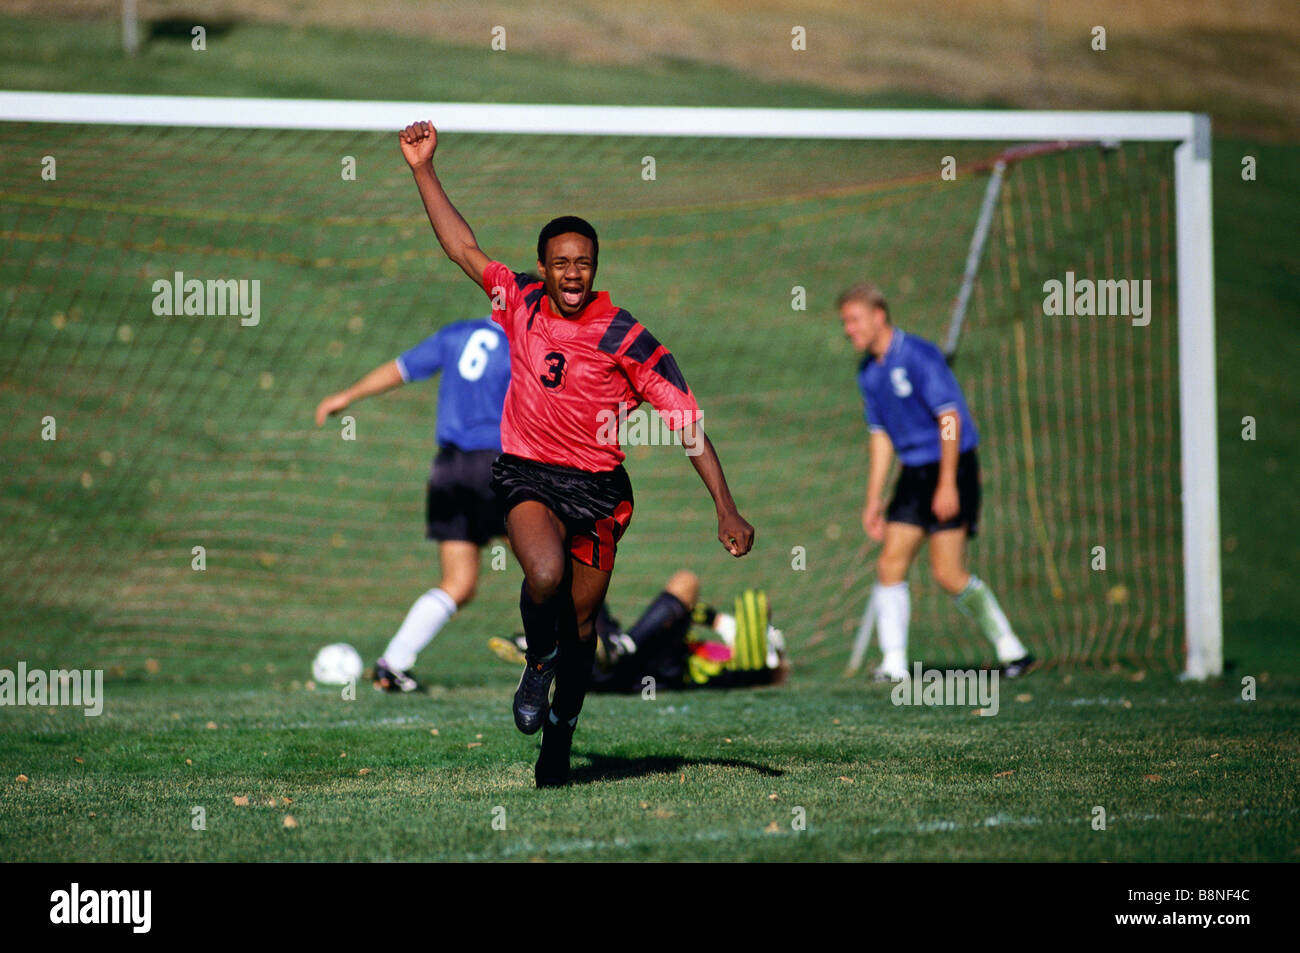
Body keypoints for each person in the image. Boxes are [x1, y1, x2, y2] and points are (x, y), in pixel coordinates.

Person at [399, 119, 755, 787]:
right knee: (542, 575)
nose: (571, 272)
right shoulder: (519, 301)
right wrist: (423, 169)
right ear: (542, 266)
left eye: (582, 262)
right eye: (560, 261)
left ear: (595, 268)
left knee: (585, 629)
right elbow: (462, 247)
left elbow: (686, 420)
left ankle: (559, 739)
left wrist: (726, 507)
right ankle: (538, 659)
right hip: (528, 475)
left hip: (597, 492)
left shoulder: (626, 335)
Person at [838, 281, 1035, 681]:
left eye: (854, 319)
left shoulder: (919, 355)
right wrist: (873, 497)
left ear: (879, 316)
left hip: (952, 465)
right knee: (889, 563)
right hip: (913, 472)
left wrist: (947, 483)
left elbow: (950, 419)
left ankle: (1012, 650)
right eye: (844, 323)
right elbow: (880, 436)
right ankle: (894, 665)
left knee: (948, 573)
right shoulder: (867, 373)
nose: (848, 329)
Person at [314, 314, 510, 693]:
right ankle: (585, 654)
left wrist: (349, 395)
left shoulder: (457, 333)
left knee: (458, 583)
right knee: (548, 566)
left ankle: (392, 665)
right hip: (500, 466)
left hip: (450, 469)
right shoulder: (530, 339)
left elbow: (403, 368)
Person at [489, 570, 789, 692]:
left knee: (686, 581)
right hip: (624, 666)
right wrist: (715, 621)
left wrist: (720, 623)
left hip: (661, 664)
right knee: (582, 587)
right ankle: (556, 649)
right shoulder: (730, 657)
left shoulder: (742, 669)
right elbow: (705, 616)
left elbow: (755, 605)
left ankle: (549, 649)